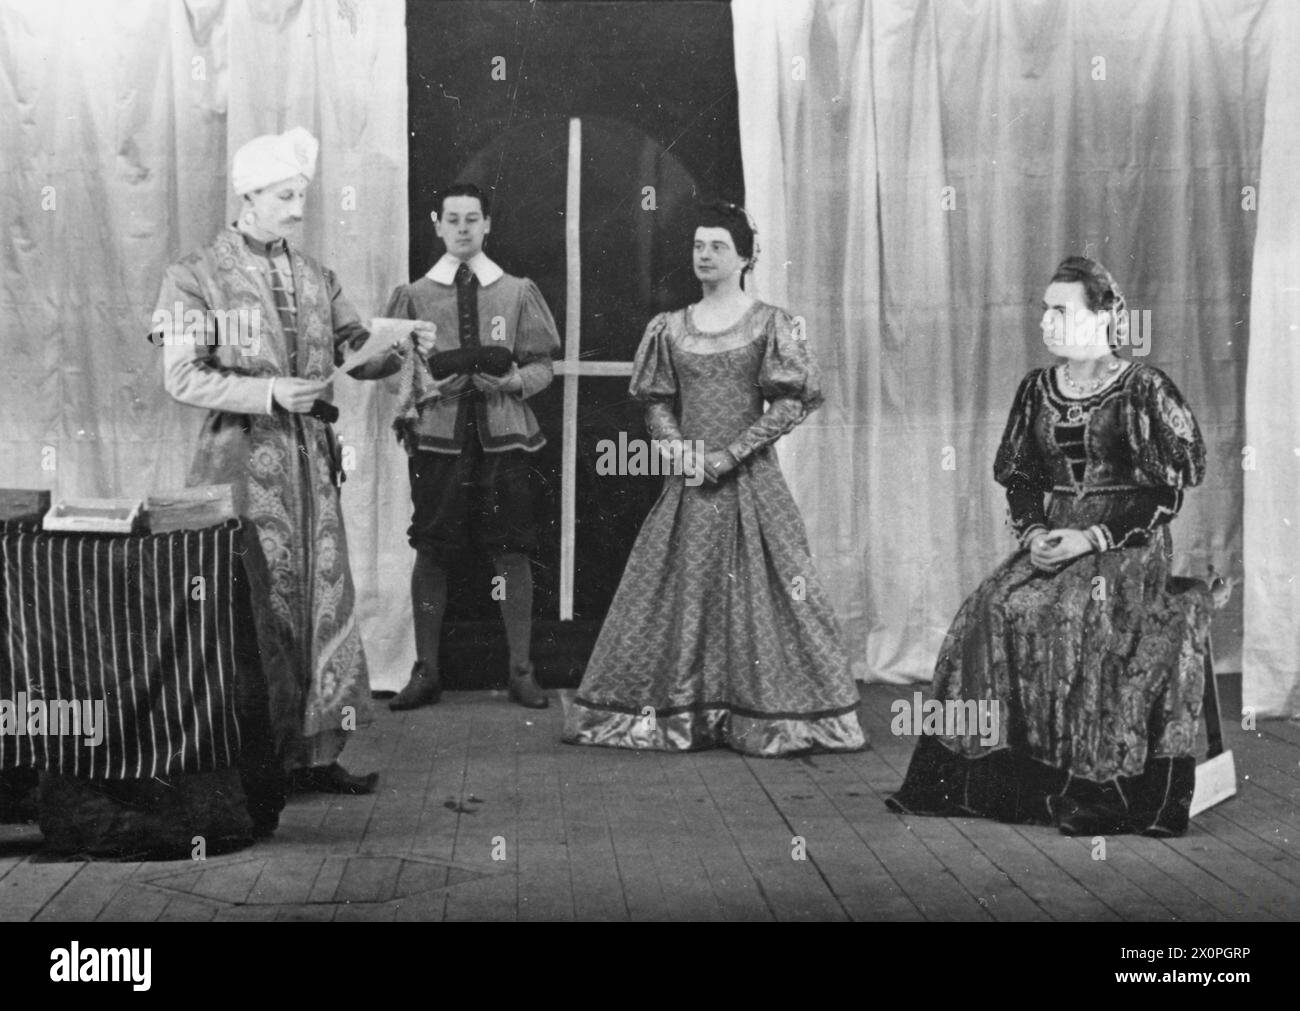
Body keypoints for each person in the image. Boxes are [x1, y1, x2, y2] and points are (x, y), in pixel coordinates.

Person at [887, 255, 1209, 836]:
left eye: (1060, 310)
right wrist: (1035, 534)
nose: (1046, 322)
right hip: (1053, 539)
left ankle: (1094, 789)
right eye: (1045, 310)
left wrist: (1092, 536)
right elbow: (1023, 480)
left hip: (1126, 546)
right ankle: (987, 786)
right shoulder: (1037, 388)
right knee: (985, 610)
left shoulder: (1143, 388)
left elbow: (1167, 488)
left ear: (1106, 315)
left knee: (1070, 611)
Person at [156, 127, 435, 794]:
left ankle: (316, 754)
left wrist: (398, 345)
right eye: (286, 195)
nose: (297, 208)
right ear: (248, 195)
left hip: (311, 465)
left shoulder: (316, 276)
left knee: (321, 599)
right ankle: (253, 761)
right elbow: (182, 376)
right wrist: (270, 390)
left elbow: (353, 347)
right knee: (255, 605)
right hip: (238, 465)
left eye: (302, 195)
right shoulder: (194, 275)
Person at [562, 201, 866, 757]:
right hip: (689, 483)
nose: (705, 255)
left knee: (773, 588)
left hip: (749, 481)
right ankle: (687, 713)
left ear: (745, 256)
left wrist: (731, 454)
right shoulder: (670, 327)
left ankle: (765, 715)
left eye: (718, 246)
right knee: (676, 589)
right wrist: (679, 453)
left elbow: (793, 399)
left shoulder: (771, 322)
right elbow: (655, 401)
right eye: (699, 246)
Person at [384, 183, 560, 711]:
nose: (462, 228)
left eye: (472, 219)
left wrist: (511, 385)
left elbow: (542, 364)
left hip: (506, 442)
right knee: (432, 550)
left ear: (487, 226)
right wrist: (419, 389)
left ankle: (521, 670)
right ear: (437, 225)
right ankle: (426, 671)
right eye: (452, 219)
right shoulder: (413, 297)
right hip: (438, 443)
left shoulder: (517, 291)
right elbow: (392, 374)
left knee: (512, 550)